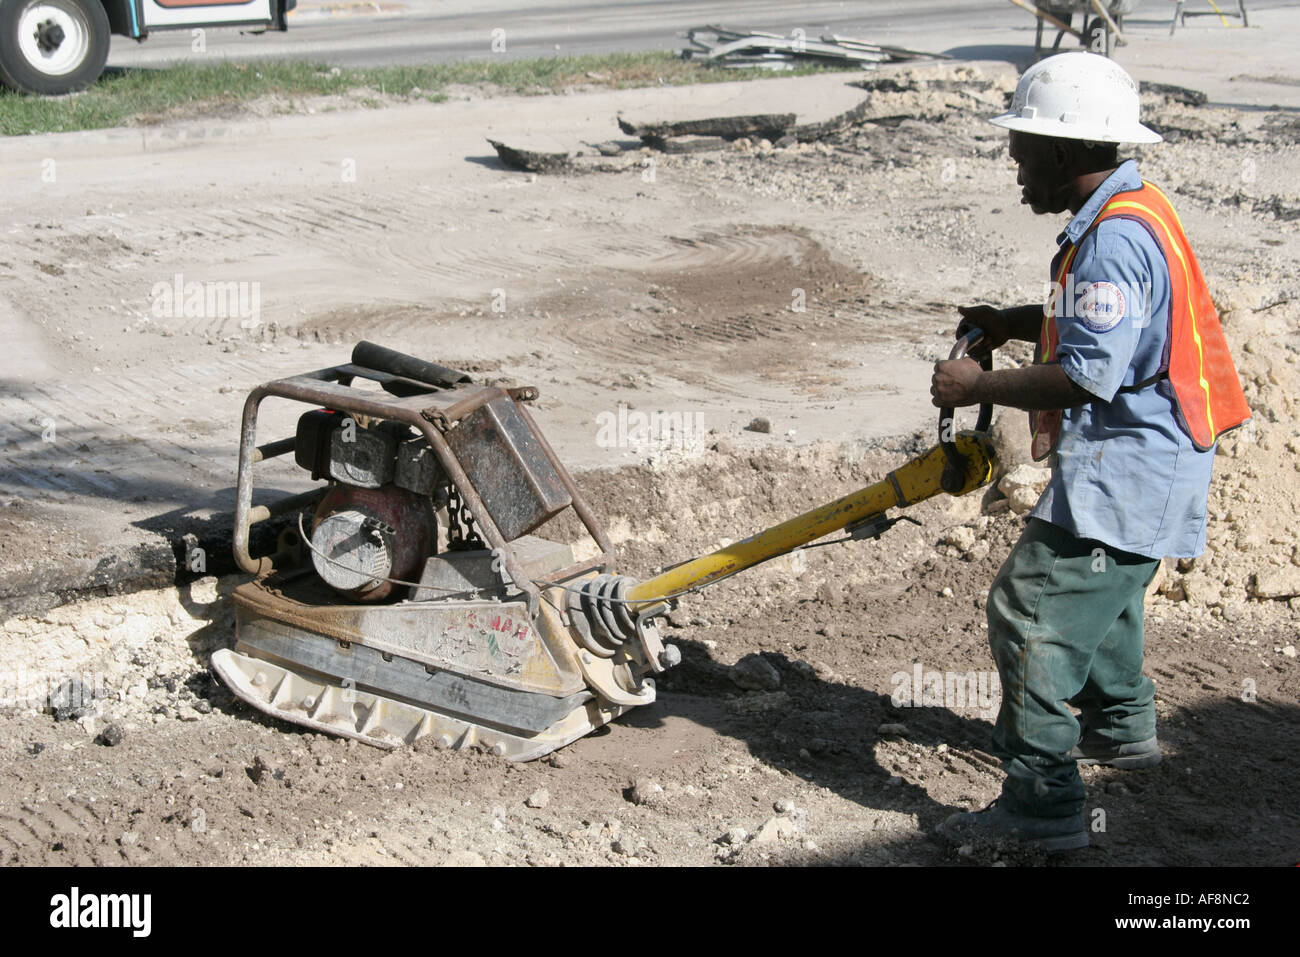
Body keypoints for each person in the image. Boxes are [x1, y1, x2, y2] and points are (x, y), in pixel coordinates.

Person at [929, 52, 1251, 852]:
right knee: (1103, 591)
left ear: (1066, 153)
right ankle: (1120, 724)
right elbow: (1112, 328)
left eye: (1024, 148)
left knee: (1029, 609)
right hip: (1161, 452)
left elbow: (1086, 372)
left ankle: (1042, 804)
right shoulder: (1135, 206)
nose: (1014, 165)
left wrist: (979, 385)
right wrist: (1010, 318)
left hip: (1132, 462)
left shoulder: (1111, 241)